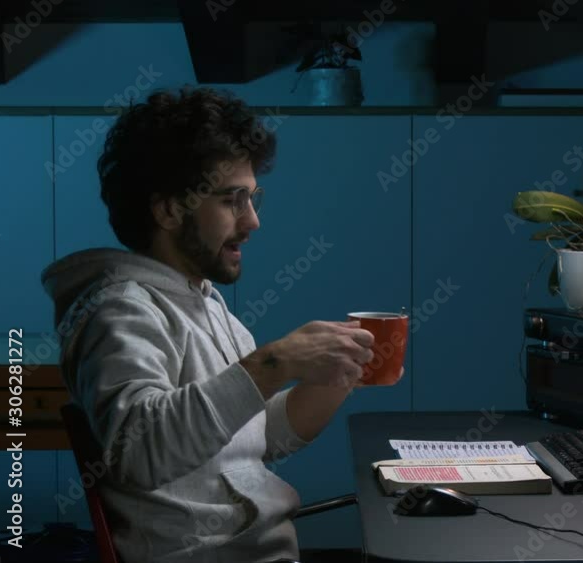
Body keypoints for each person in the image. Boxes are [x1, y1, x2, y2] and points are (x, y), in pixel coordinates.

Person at [41, 86, 399, 563]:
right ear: (169, 209)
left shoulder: (205, 305)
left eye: (253, 199)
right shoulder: (118, 312)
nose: (252, 222)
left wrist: (334, 376)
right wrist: (274, 361)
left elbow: (261, 439)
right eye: (233, 200)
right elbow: (139, 450)